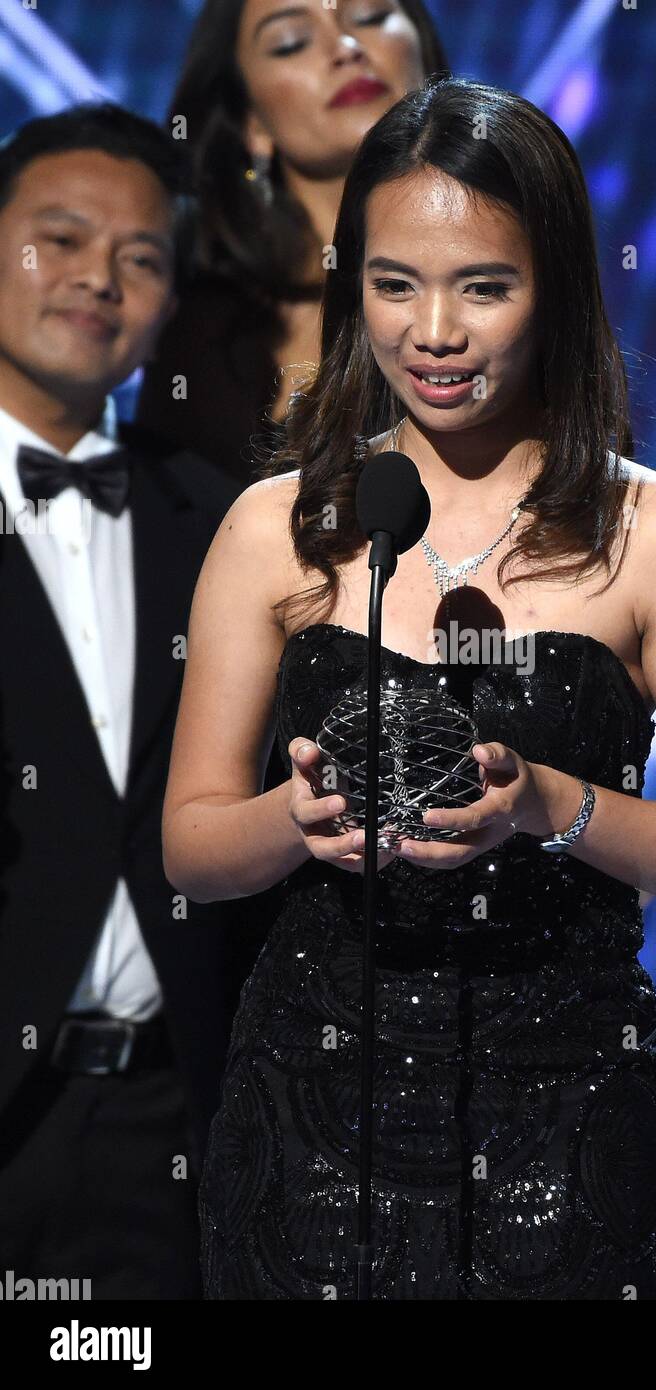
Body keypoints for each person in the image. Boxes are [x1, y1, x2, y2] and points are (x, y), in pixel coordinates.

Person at [162, 76, 656, 1300]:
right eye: (394, 283)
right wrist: (295, 825)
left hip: (567, 1124)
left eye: (482, 287)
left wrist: (552, 804)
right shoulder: (274, 528)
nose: (431, 332)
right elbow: (190, 847)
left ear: (552, 286)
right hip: (308, 1122)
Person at [0, 103, 244, 1298]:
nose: (101, 277)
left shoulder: (221, 518)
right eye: (61, 238)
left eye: (142, 258)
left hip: (172, 1123)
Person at [135, 0, 449, 485]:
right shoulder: (199, 329)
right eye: (291, 43)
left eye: (369, 17)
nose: (345, 48)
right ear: (252, 126)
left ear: (425, 55)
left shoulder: (522, 257)